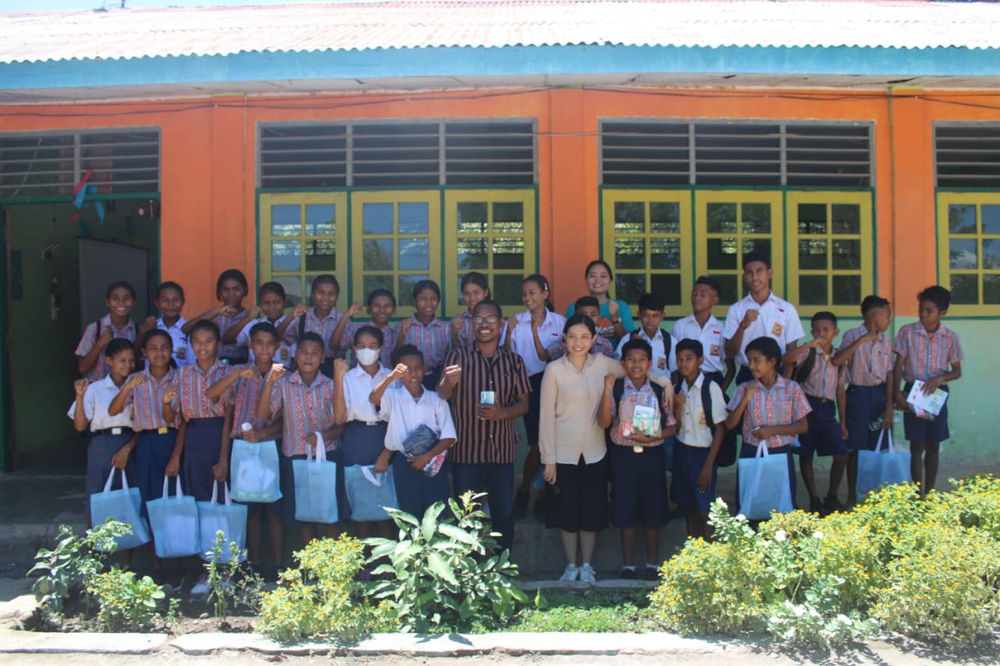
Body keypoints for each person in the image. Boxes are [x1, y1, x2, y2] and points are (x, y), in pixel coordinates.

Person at [539, 314, 661, 584]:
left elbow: (636, 369)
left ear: (594, 339)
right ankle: (570, 565)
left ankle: (587, 565)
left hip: (595, 451)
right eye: (572, 336)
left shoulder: (605, 365)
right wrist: (548, 460)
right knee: (567, 511)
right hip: (563, 452)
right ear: (565, 339)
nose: (578, 342)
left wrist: (666, 384)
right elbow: (545, 416)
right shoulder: (554, 370)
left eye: (584, 337)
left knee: (591, 510)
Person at [438, 300, 530, 552]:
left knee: (503, 515)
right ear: (471, 324)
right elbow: (442, 394)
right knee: (466, 517)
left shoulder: (514, 361)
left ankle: (501, 568)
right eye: (478, 320)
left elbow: (524, 404)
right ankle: (468, 572)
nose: (484, 325)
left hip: (502, 452)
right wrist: (448, 380)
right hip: (467, 452)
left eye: (490, 319)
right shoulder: (458, 356)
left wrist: (502, 413)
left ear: (500, 324)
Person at [206, 322, 285, 579]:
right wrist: (223, 457)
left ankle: (277, 565)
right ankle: (254, 565)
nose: (264, 348)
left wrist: (263, 433)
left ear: (277, 347)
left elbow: (284, 418)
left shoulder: (283, 375)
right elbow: (212, 395)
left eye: (269, 344)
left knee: (273, 510)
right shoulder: (238, 372)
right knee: (248, 511)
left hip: (271, 445)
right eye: (258, 343)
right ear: (250, 345)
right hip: (241, 447)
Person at [599, 338, 677, 579]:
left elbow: (673, 427)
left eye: (642, 360)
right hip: (623, 457)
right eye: (631, 360)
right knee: (625, 508)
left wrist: (650, 438)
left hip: (652, 455)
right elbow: (604, 423)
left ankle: (653, 564)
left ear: (650, 363)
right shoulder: (618, 388)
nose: (636, 365)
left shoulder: (660, 389)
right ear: (622, 362)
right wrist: (605, 391)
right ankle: (628, 566)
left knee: (653, 509)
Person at [258, 332, 343, 544]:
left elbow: (341, 424)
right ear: (295, 356)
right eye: (304, 353)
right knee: (304, 516)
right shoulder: (284, 384)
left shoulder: (331, 385)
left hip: (327, 456)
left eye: (314, 354)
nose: (308, 358)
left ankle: (333, 565)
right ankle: (311, 570)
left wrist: (323, 437)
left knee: (329, 515)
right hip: (295, 458)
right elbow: (262, 415)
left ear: (323, 357)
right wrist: (269, 382)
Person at [369, 345, 457, 519]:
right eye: (407, 370)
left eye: (418, 368)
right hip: (405, 462)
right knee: (409, 514)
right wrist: (390, 377)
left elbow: (449, 436)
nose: (413, 374)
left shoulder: (436, 400)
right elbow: (373, 398)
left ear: (425, 369)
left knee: (437, 513)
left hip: (433, 462)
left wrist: (427, 456)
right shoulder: (393, 397)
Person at [725, 337, 810, 516]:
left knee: (781, 504)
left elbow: (803, 426)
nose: (751, 366)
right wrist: (746, 399)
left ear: (772, 362)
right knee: (749, 503)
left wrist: (772, 430)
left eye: (757, 360)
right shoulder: (744, 388)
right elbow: (730, 424)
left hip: (780, 453)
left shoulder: (791, 388)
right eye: (749, 360)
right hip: (751, 451)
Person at [892, 286, 963, 495]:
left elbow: (957, 371)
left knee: (933, 444)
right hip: (912, 391)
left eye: (929, 310)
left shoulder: (950, 337)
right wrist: (896, 392)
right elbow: (899, 365)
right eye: (921, 309)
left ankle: (930, 493)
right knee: (916, 444)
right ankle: (917, 493)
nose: (923, 314)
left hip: (937, 394)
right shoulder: (907, 331)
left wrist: (941, 377)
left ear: (942, 313)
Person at [505, 274, 565, 521]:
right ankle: (526, 489)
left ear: (545, 294)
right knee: (538, 443)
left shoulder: (560, 322)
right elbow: (507, 356)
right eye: (524, 293)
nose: (528, 297)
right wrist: (508, 333)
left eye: (532, 292)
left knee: (550, 443)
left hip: (554, 384)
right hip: (526, 385)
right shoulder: (515, 322)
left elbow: (558, 356)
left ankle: (538, 495)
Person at [108, 328, 181, 517]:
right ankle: (152, 544)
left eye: (165, 348)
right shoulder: (136, 379)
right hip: (145, 442)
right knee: (147, 496)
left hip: (171, 439)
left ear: (172, 349)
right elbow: (113, 410)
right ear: (144, 352)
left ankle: (170, 543)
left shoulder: (180, 378)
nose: (159, 353)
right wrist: (127, 388)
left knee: (171, 494)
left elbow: (176, 419)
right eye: (153, 348)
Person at [783, 312, 848, 514]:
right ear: (812, 332)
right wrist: (809, 344)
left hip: (827, 408)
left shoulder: (839, 357)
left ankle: (832, 496)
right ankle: (813, 498)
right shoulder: (808, 352)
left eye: (826, 330)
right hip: (806, 406)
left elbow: (840, 390)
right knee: (806, 453)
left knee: (840, 454)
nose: (821, 334)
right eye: (817, 330)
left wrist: (843, 422)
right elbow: (787, 359)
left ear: (835, 332)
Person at [832, 295, 895, 506]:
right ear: (875, 316)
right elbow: (837, 361)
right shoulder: (852, 335)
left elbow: (890, 374)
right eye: (887, 316)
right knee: (855, 449)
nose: (889, 320)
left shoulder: (886, 340)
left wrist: (888, 407)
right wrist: (861, 341)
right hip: (857, 396)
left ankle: (875, 496)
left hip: (879, 396)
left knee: (877, 446)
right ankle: (853, 495)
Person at [332, 325, 394, 539]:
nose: (367, 351)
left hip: (386, 438)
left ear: (381, 348)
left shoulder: (391, 376)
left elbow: (398, 417)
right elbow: (339, 415)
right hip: (356, 438)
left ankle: (386, 566)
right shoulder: (348, 378)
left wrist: (387, 453)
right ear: (354, 349)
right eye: (361, 346)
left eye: (372, 346)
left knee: (386, 506)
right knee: (361, 506)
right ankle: (366, 566)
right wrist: (338, 378)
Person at [69, 338, 138, 525]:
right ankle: (93, 549)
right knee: (97, 495)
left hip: (129, 442)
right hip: (101, 443)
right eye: (122, 360)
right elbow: (80, 426)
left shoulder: (138, 386)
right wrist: (80, 396)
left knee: (128, 494)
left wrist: (128, 448)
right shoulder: (94, 389)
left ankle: (127, 551)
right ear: (109, 361)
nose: (128, 365)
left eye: (131, 360)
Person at [671, 339, 728, 540]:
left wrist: (708, 465)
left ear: (700, 360)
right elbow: (675, 426)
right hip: (682, 451)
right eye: (679, 359)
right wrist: (676, 408)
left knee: (705, 508)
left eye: (689, 359)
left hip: (703, 454)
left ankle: (709, 553)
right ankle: (693, 548)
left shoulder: (710, 388)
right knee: (688, 505)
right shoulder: (678, 387)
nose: (684, 363)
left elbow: (721, 429)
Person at [723, 253, 803, 386]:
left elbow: (791, 353)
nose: (754, 277)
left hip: (778, 373)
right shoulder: (736, 309)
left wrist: (785, 384)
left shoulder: (787, 309)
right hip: (747, 374)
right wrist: (742, 326)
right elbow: (730, 352)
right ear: (744, 276)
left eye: (759, 271)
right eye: (749, 273)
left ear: (770, 273)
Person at [671, 276, 734, 389]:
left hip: (713, 380)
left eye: (703, 295)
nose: (697, 298)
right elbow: (673, 362)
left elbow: (731, 367)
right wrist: (677, 388)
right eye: (694, 293)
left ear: (715, 300)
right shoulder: (680, 326)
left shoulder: (721, 329)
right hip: (686, 381)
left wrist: (721, 391)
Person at [183, 269, 250, 365]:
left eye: (236, 289)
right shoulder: (213, 316)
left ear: (244, 290)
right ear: (219, 293)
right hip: (215, 369)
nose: (231, 294)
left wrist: (248, 318)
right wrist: (217, 312)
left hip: (241, 367)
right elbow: (186, 329)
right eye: (226, 290)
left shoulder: (250, 317)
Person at [76, 280, 138, 382]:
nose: (121, 303)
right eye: (115, 298)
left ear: (133, 302)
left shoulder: (137, 330)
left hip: (127, 390)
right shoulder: (95, 329)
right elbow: (83, 368)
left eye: (126, 298)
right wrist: (100, 343)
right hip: (98, 389)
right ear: (107, 302)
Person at [282, 274, 343, 377]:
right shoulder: (302, 318)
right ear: (313, 295)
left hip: (332, 371)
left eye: (331, 294)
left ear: (337, 296)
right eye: (320, 293)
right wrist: (291, 316)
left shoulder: (342, 320)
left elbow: (338, 347)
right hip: (304, 370)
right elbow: (283, 338)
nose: (325, 297)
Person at [395, 280, 450, 390]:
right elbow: (396, 357)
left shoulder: (444, 328)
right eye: (423, 299)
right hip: (410, 377)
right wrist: (402, 335)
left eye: (433, 299)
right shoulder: (404, 326)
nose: (428, 303)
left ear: (438, 301)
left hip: (437, 377)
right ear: (415, 300)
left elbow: (450, 356)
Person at [565, 260, 634, 347]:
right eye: (592, 276)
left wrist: (615, 317)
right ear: (586, 280)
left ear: (610, 280)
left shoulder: (621, 306)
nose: (598, 280)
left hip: (614, 359)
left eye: (603, 276)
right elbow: (566, 339)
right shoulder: (575, 307)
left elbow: (628, 341)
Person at [330, 288, 398, 368]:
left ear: (393, 309)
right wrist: (347, 315)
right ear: (369, 308)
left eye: (387, 306)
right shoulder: (357, 330)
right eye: (377, 306)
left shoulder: (395, 335)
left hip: (386, 378)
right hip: (357, 379)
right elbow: (334, 346)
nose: (382, 310)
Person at [615, 292, 673, 381]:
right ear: (639, 315)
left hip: (662, 391)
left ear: (662, 316)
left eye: (655, 316)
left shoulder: (670, 341)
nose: (651, 320)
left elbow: (675, 372)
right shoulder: (627, 339)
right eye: (646, 315)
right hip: (633, 391)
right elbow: (619, 368)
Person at [236, 282, 294, 368]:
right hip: (254, 373)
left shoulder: (294, 323)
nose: (271, 307)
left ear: (284, 302)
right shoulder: (253, 324)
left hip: (283, 373)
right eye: (266, 303)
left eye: (276, 302)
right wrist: (248, 318)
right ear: (260, 304)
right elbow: (231, 340)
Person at [147, 281, 190, 368]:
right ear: (157, 303)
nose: (171, 304)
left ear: (183, 302)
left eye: (176, 300)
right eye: (165, 300)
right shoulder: (152, 326)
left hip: (182, 378)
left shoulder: (189, 329)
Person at [451, 271, 491, 349]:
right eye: (467, 293)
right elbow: (456, 353)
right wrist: (453, 334)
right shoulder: (458, 322)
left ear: (485, 292)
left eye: (476, 292)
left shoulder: (495, 318)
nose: (472, 298)